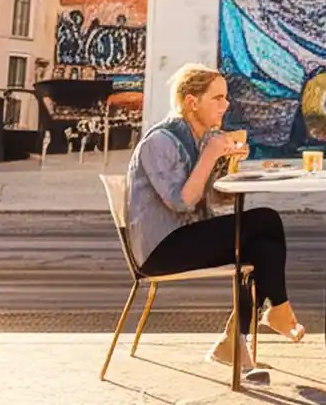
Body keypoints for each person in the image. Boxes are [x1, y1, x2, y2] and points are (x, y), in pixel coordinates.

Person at [126, 63, 305, 370]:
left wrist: (228, 166)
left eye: (226, 97)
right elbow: (181, 202)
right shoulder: (160, 142)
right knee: (267, 221)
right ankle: (279, 310)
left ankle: (233, 341)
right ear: (191, 102)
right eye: (217, 98)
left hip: (186, 237)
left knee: (263, 247)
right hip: (160, 250)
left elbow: (214, 200)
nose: (226, 105)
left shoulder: (200, 140)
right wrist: (210, 154)